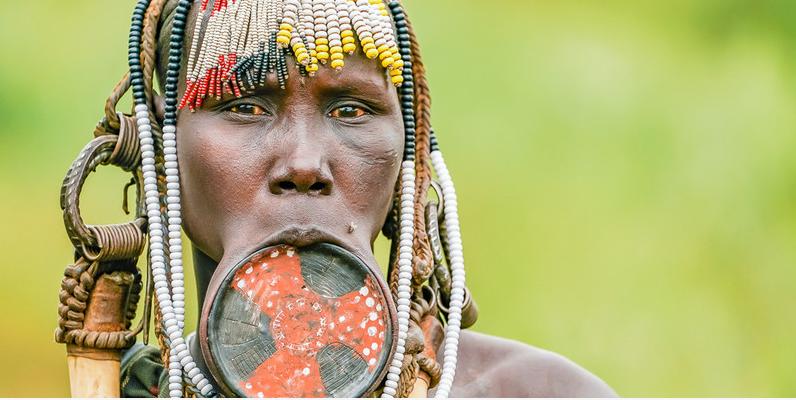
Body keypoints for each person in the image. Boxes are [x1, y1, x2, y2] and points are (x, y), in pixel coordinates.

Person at [57, 0, 616, 397]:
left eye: (351, 110)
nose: (304, 164)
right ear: (162, 148)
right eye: (246, 106)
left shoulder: (538, 394)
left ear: (410, 154)